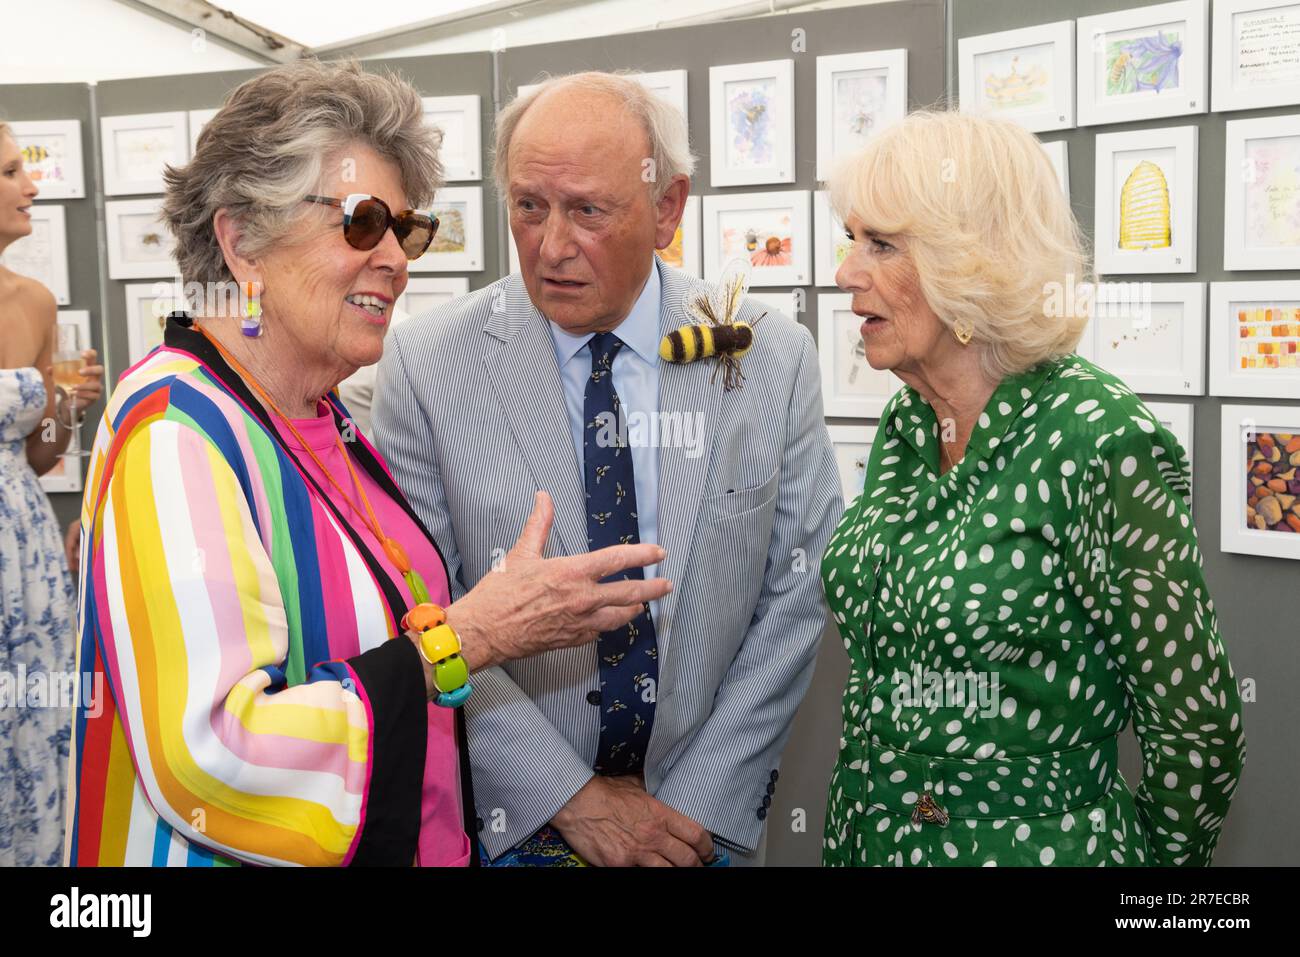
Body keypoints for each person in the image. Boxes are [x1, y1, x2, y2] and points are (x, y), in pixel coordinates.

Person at [65, 59, 670, 868]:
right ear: (241, 238)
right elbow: (210, 755)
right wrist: (476, 633)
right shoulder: (177, 432)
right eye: (360, 222)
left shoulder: (324, 421)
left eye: (405, 229)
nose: (395, 257)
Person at [373, 71, 843, 867]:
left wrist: (690, 808)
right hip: (515, 825)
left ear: (667, 208)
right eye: (529, 206)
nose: (552, 246)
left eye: (588, 210)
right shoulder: (425, 364)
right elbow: (418, 603)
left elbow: (797, 593)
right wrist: (567, 796)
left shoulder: (767, 353)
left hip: (703, 827)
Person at [820, 109, 1246, 866]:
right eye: (852, 240)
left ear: (970, 261)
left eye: (880, 244)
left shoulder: (1099, 436)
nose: (846, 271)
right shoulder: (908, 424)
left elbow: (1196, 724)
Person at [0, 120, 103, 865]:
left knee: (33, 736)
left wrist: (67, 405)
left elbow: (39, 459)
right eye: (10, 172)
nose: (31, 186)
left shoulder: (35, 301)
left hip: (23, 558)